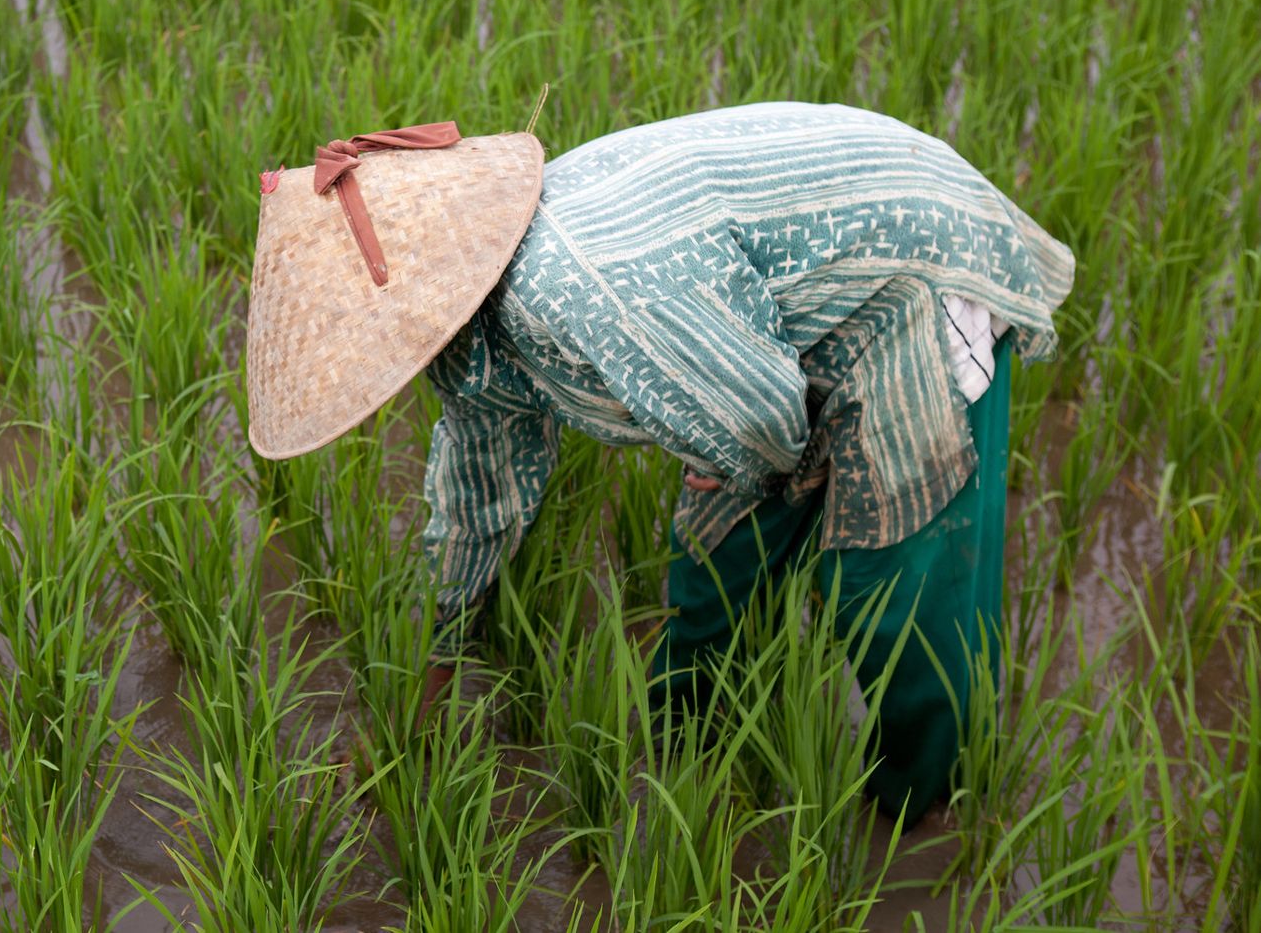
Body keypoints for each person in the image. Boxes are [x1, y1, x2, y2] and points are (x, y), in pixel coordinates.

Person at [244, 102, 1073, 818]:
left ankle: (919, 809)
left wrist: (747, 462)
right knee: (713, 561)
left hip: (904, 281)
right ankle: (687, 756)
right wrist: (442, 648)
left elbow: (753, 413)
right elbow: (479, 492)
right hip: (762, 343)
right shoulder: (466, 341)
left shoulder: (572, 286)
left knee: (880, 588)